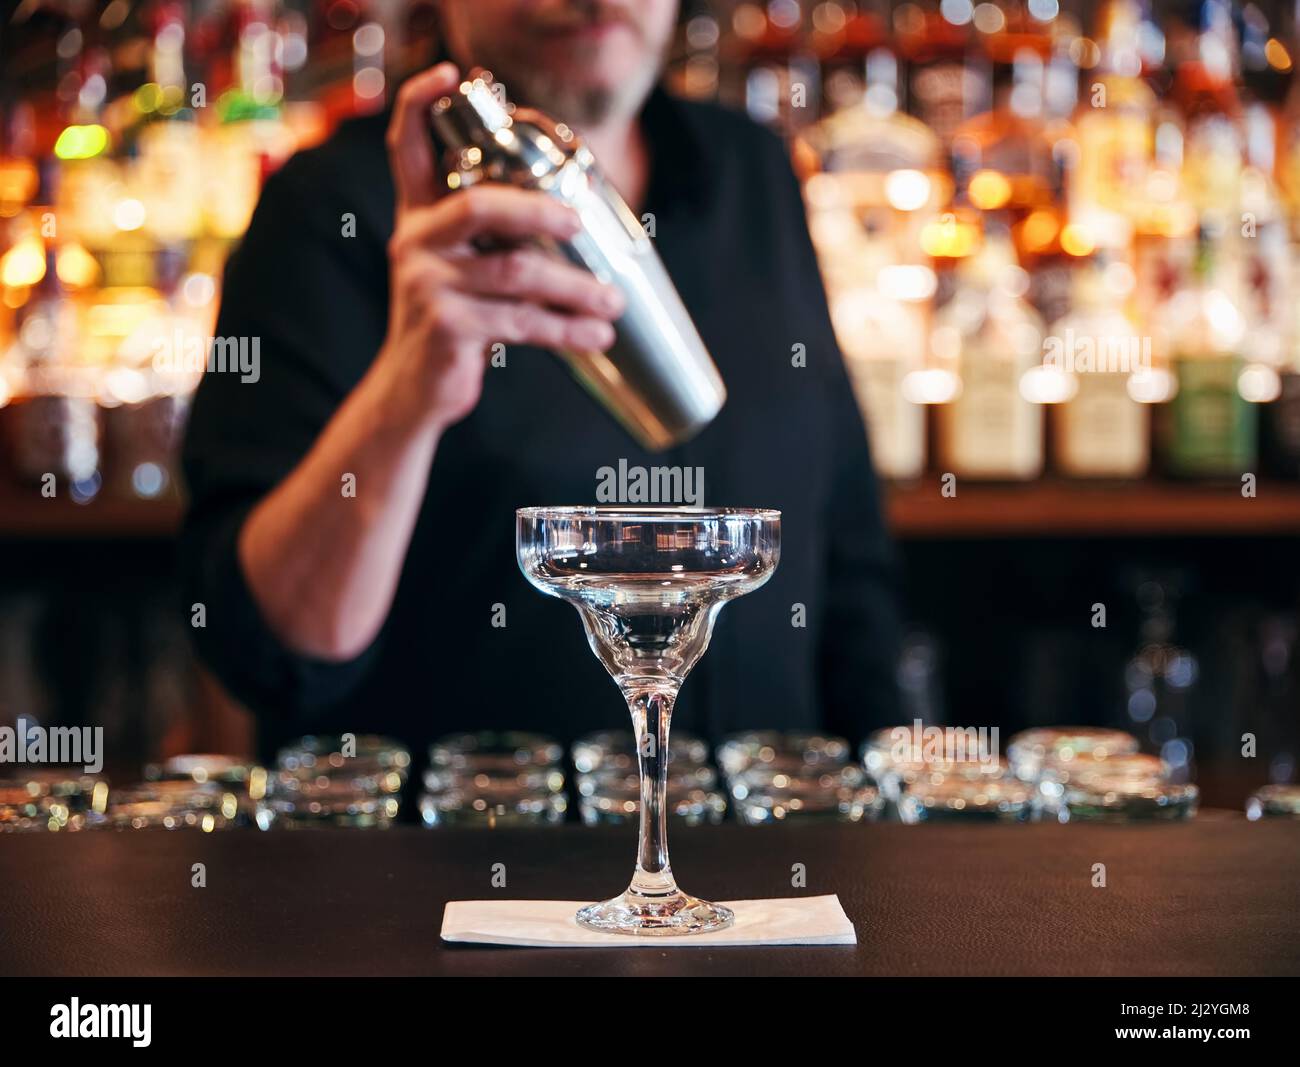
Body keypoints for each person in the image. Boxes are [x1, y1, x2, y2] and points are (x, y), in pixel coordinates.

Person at [181, 0, 901, 762]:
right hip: (449, 860)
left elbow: (849, 557)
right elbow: (271, 648)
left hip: (762, 858)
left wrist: (894, 812)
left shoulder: (753, 170)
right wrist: (406, 396)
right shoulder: (328, 209)